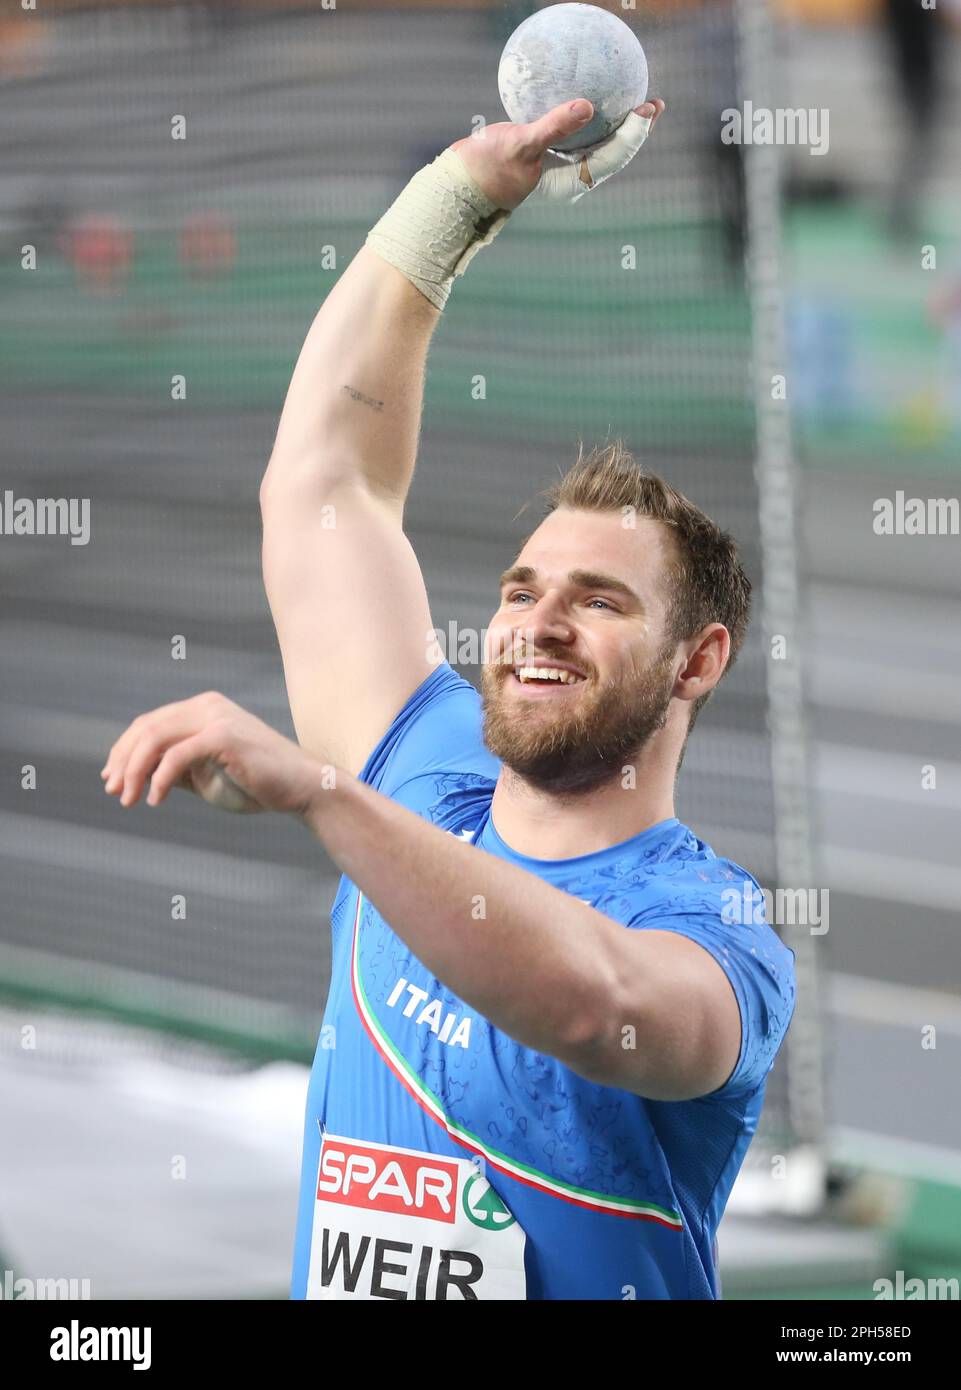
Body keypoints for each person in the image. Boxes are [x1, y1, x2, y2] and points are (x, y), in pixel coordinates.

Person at [101, 94, 795, 1300]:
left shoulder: (718, 934)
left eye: (600, 600)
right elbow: (327, 478)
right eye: (522, 589)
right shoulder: (422, 768)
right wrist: (454, 201)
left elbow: (591, 1003)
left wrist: (324, 793)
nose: (535, 624)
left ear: (698, 661)